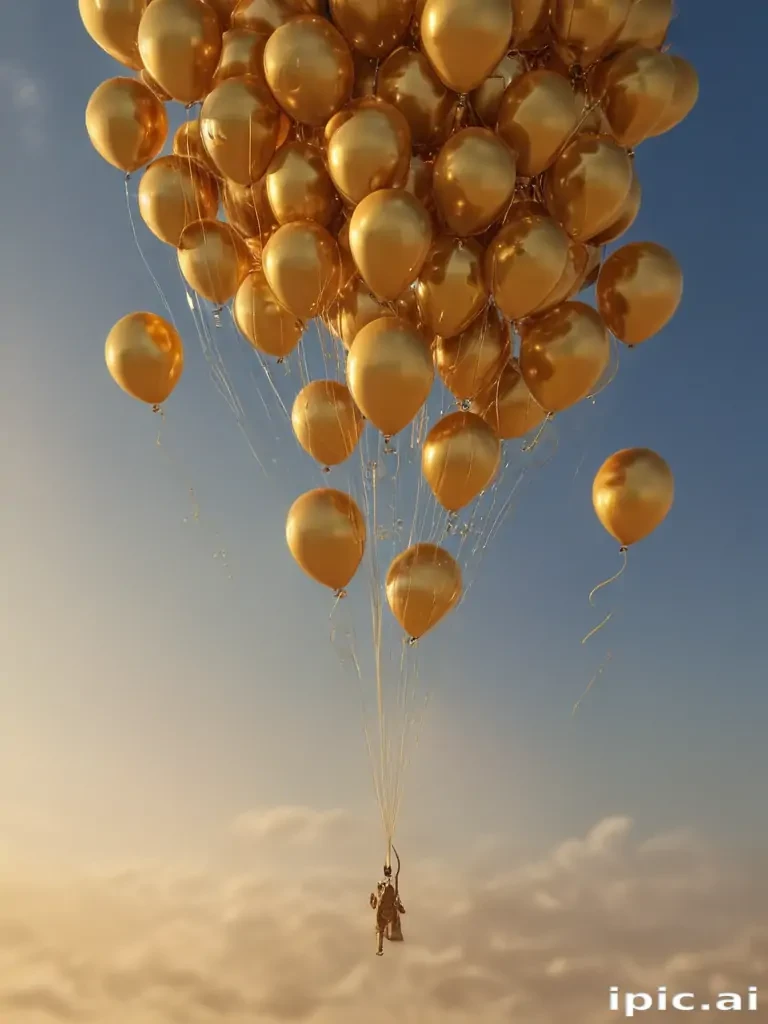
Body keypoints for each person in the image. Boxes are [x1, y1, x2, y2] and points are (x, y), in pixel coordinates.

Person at [369, 849, 405, 956]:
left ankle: (379, 949)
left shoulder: (381, 884)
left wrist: (373, 902)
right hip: (390, 912)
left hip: (383, 912)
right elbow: (396, 899)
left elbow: (376, 901)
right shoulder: (390, 883)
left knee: (379, 929)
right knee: (382, 927)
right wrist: (401, 908)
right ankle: (381, 946)